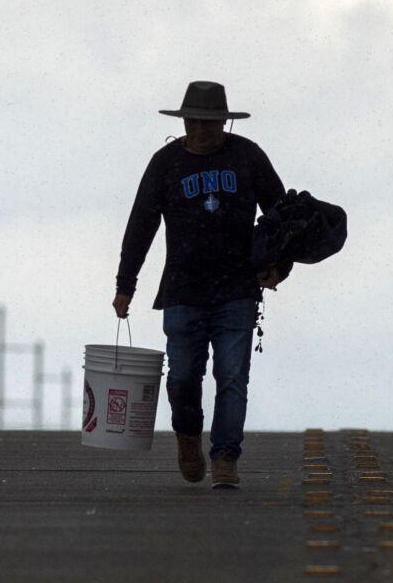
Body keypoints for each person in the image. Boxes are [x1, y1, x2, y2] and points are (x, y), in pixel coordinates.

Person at [114, 81, 285, 489]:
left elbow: (282, 215)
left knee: (231, 378)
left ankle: (226, 456)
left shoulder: (248, 157)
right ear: (184, 121)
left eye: (210, 122)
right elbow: (141, 224)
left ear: (224, 121)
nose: (202, 130)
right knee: (183, 378)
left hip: (237, 290)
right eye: (194, 121)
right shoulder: (166, 164)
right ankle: (187, 437)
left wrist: (279, 265)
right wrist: (126, 284)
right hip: (182, 292)